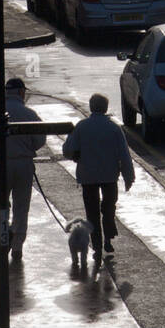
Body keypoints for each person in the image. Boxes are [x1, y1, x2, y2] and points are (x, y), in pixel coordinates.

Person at [0, 79, 46, 263]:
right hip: (23, 163)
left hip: (1, 164)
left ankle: (2, 237)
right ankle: (17, 244)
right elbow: (40, 140)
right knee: (21, 205)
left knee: (1, 204)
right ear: (21, 93)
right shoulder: (29, 113)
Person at [62, 93, 134, 263]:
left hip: (88, 176)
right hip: (110, 176)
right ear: (106, 108)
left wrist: (76, 155)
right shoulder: (114, 128)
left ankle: (97, 246)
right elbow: (124, 155)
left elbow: (68, 149)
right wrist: (128, 176)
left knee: (92, 213)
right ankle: (108, 237)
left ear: (91, 106)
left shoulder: (81, 126)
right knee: (108, 208)